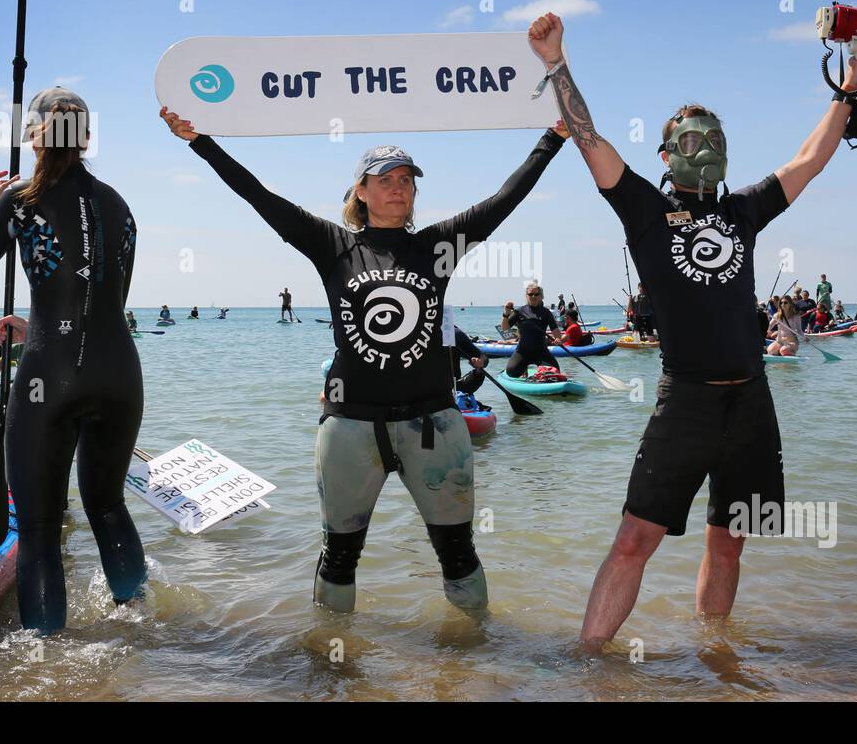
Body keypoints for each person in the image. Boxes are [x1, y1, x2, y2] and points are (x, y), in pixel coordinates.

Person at [525, 10, 857, 647]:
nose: (703, 148)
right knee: (634, 539)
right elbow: (587, 135)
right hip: (685, 400)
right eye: (688, 141)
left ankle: (715, 663)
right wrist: (556, 63)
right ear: (665, 155)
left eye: (713, 138)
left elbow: (811, 158)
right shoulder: (645, 209)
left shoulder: (744, 210)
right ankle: (585, 663)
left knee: (730, 540)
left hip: (752, 401)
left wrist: (849, 86)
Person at [161, 103, 567, 614]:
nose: (397, 187)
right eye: (384, 179)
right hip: (351, 427)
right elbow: (258, 195)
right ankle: (333, 669)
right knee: (338, 558)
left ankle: (474, 668)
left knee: (458, 554)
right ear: (361, 191)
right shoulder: (332, 245)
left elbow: (503, 200)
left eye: (406, 180)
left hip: (433, 425)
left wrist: (552, 139)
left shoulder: (439, 246)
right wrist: (199, 141)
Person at [0, 86, 145, 634]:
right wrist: (38, 326)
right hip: (119, 375)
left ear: (34, 137)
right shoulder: (120, 204)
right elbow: (104, 300)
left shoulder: (20, 197)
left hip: (50, 377)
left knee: (39, 527)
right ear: (86, 138)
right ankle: (138, 623)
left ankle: (48, 661)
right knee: (107, 505)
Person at [501, 282, 564, 377]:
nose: (533, 296)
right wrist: (506, 314)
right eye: (530, 294)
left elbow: (555, 329)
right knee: (511, 372)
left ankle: (541, 370)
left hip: (541, 351)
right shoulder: (519, 311)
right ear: (526, 296)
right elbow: (505, 328)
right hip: (522, 351)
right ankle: (523, 369)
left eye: (536, 294)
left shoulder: (546, 312)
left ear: (541, 296)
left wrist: (558, 339)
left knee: (554, 372)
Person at [449, 326, 488, 396]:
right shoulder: (454, 333)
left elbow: (484, 360)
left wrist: (478, 363)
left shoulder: (454, 333)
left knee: (479, 372)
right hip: (427, 387)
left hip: (450, 388)